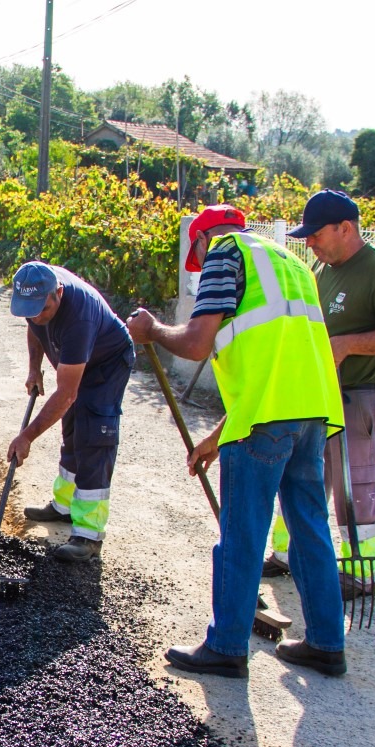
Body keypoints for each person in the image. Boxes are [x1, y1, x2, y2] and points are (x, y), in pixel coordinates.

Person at [128, 204, 348, 678]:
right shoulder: (292, 264)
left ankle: (226, 646)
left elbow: (194, 343)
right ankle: (328, 644)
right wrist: (216, 435)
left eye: (198, 252)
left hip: (264, 420)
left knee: (242, 533)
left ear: (203, 239)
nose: (202, 261)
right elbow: (274, 361)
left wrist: (151, 331)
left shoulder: (225, 255)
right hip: (311, 410)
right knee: (309, 527)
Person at [265, 190, 375, 595]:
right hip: (317, 394)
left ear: (344, 228)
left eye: (315, 234)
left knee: (357, 485)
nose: (309, 242)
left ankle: (360, 572)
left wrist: (347, 345)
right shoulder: (325, 269)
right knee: (305, 478)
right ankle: (286, 554)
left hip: (358, 397)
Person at [7, 261, 137, 562]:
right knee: (72, 432)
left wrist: (27, 436)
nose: (36, 315)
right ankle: (64, 507)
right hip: (76, 363)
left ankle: (89, 536)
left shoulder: (79, 317)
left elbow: (67, 393)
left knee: (93, 438)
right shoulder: (35, 297)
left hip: (106, 364)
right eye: (29, 309)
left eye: (43, 309)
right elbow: (35, 327)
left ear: (59, 293)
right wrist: (34, 368)